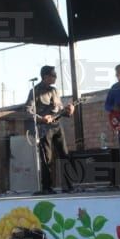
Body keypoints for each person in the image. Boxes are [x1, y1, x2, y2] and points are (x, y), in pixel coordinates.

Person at [29, 65, 77, 195]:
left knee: (64, 155)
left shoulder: (55, 91)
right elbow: (28, 111)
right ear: (45, 76)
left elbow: (60, 110)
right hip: (44, 129)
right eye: (53, 75)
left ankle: (68, 185)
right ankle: (47, 187)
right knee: (47, 159)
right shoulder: (35, 91)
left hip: (57, 127)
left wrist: (69, 111)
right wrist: (41, 118)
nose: (55, 78)